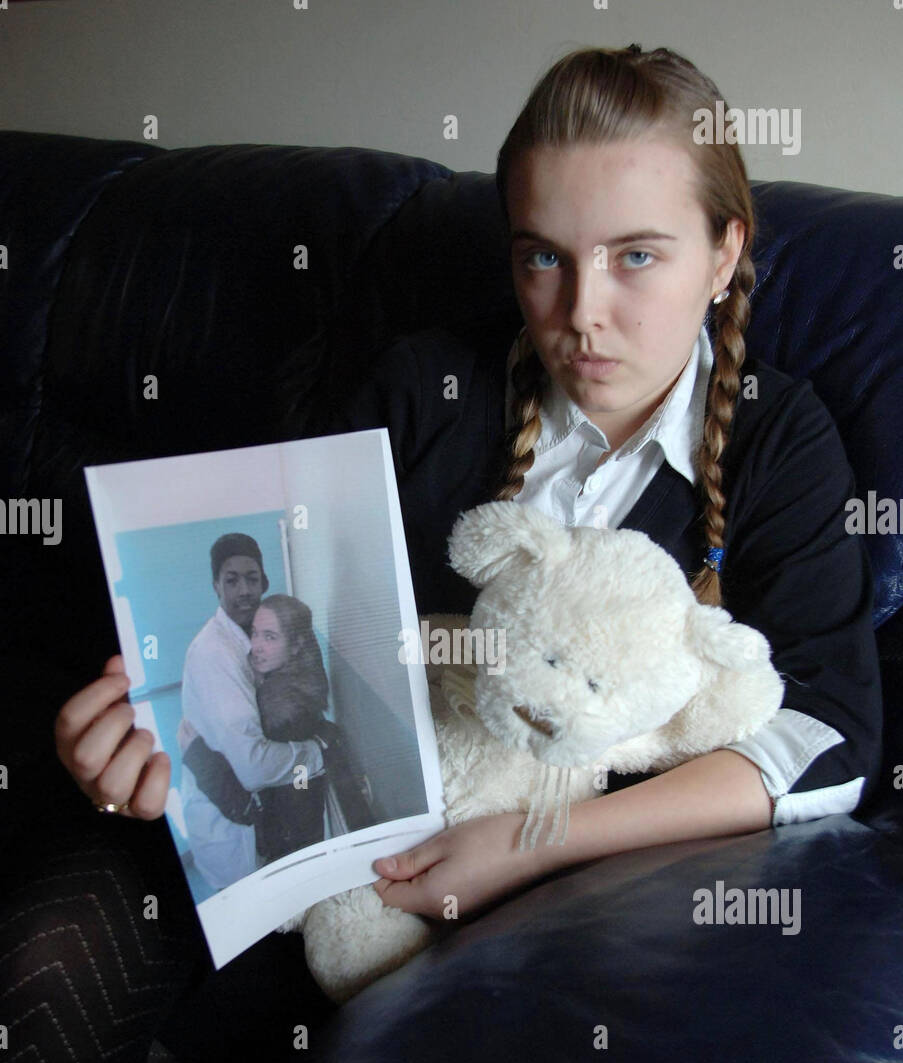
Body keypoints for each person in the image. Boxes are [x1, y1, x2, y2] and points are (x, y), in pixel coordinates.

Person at [56, 43, 882, 928]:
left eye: (635, 257)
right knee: (53, 945)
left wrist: (541, 837)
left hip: (583, 902)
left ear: (723, 256)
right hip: (338, 851)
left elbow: (827, 734)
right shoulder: (423, 387)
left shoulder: (777, 439)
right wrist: (148, 754)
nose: (581, 314)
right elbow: (283, 623)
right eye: (543, 258)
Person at [177, 532, 326, 891]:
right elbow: (254, 768)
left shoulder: (263, 634)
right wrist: (319, 753)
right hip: (230, 836)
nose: (243, 589)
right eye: (231, 580)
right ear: (216, 586)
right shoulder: (214, 653)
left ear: (264, 583)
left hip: (251, 810)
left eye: (251, 578)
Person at [182, 593, 376, 864]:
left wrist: (196, 755)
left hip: (290, 854)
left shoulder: (285, 718)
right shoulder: (288, 692)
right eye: (255, 634)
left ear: (295, 646)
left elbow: (253, 810)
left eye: (270, 637)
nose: (256, 646)